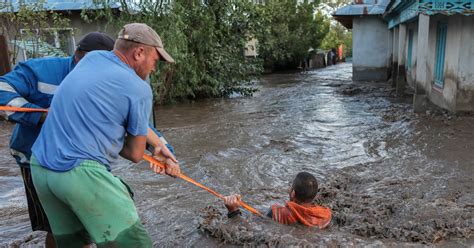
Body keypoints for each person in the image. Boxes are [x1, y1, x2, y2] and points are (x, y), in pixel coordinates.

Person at [30, 23, 178, 247]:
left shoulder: (91, 59)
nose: (155, 68)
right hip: (79, 173)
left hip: (40, 168)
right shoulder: (139, 88)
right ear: (139, 53)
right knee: (134, 243)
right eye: (155, 60)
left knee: (73, 243)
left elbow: (99, 114)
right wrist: (156, 153)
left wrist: (158, 144)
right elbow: (135, 154)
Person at [0, 31, 115, 248]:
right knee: (57, 226)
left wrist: (160, 147)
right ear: (79, 57)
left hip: (84, 161)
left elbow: (133, 120)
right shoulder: (40, 70)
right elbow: (1, 90)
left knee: (88, 224)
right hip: (35, 159)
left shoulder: (109, 79)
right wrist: (41, 115)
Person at [224, 172, 332, 228]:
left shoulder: (276, 213)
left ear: (293, 193)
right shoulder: (326, 215)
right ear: (314, 195)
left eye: (290, 187)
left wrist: (233, 211)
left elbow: (248, 228)